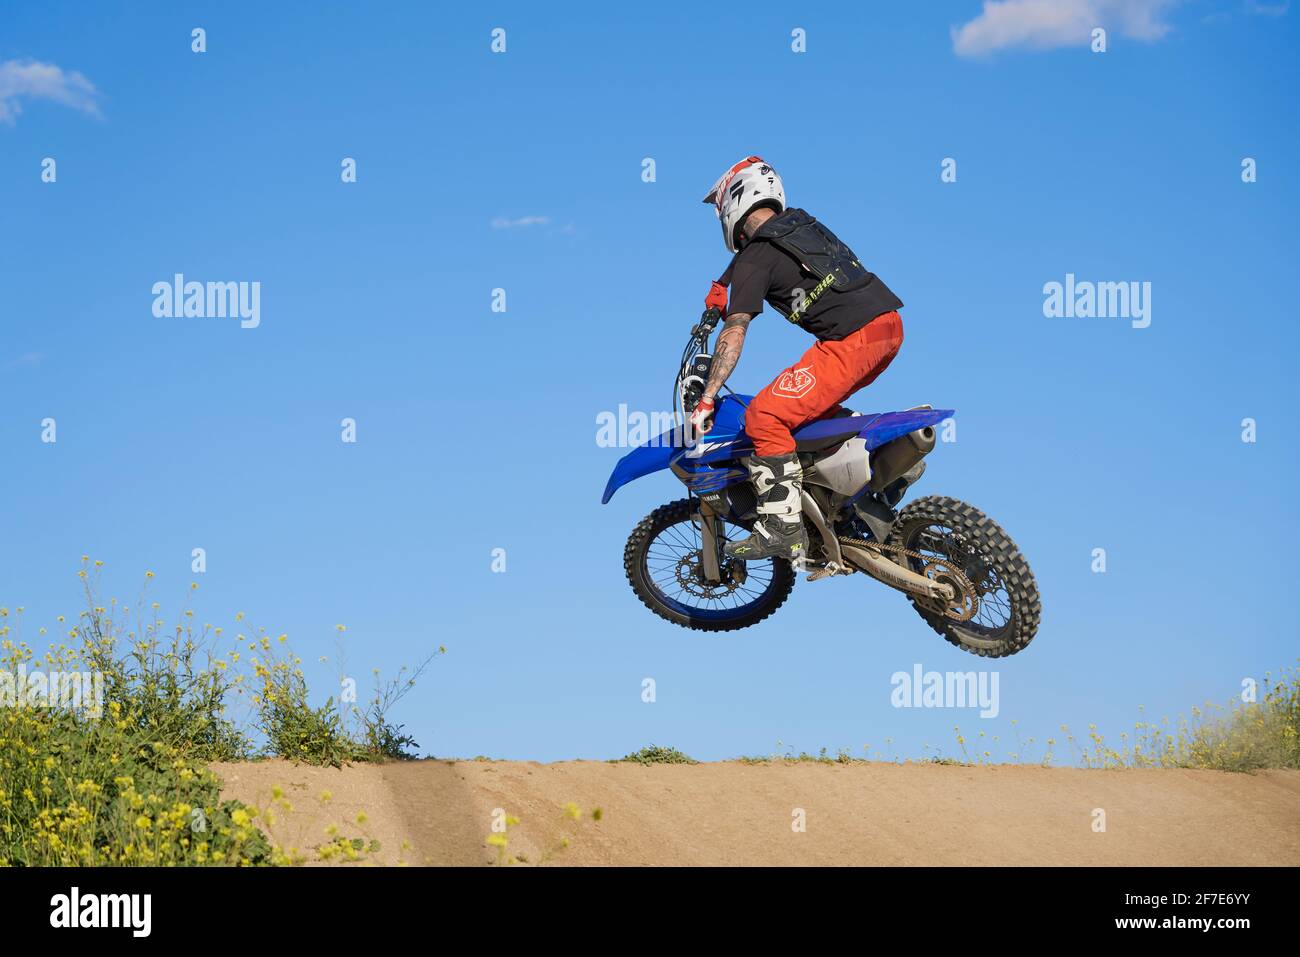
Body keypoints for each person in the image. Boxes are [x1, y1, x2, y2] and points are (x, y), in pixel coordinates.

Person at [691, 156, 906, 561]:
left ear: (734, 203)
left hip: (851, 340)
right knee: (806, 413)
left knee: (765, 417)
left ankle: (781, 527)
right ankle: (866, 480)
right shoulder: (804, 225)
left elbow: (735, 331)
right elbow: (767, 250)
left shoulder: (756, 257)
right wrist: (723, 283)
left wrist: (707, 396)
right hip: (889, 326)